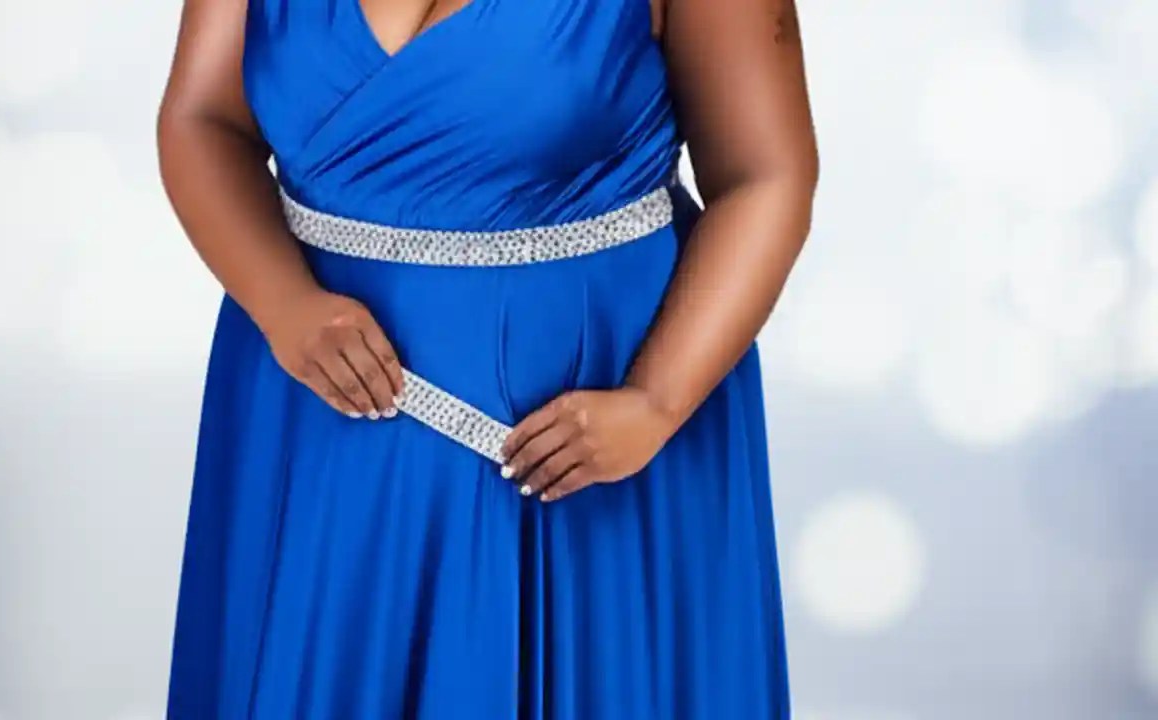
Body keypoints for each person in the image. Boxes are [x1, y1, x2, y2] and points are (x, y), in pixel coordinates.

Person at [157, 0, 818, 716]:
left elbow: (766, 174)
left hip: (589, 434)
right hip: (312, 403)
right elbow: (202, 119)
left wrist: (656, 399)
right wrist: (280, 302)